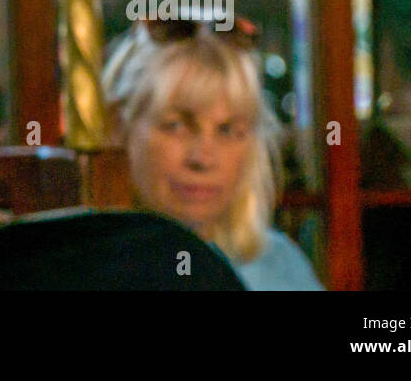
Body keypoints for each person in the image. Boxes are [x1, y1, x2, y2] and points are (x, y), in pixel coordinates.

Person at [101, 17, 322, 290]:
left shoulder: (278, 266)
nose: (204, 158)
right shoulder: (86, 268)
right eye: (177, 126)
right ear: (120, 129)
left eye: (228, 130)